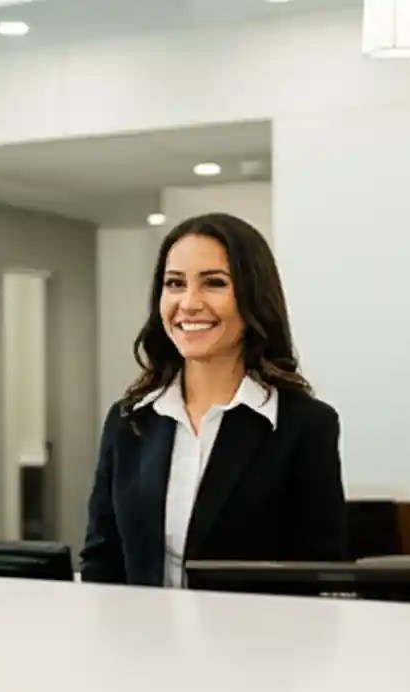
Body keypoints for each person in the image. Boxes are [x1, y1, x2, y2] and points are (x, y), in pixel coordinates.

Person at [80, 213, 346, 587]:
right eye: (174, 283)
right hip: (139, 642)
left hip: (256, 643)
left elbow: (320, 573)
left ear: (253, 296)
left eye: (214, 283)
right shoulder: (128, 421)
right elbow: (102, 560)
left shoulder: (304, 425)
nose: (188, 303)